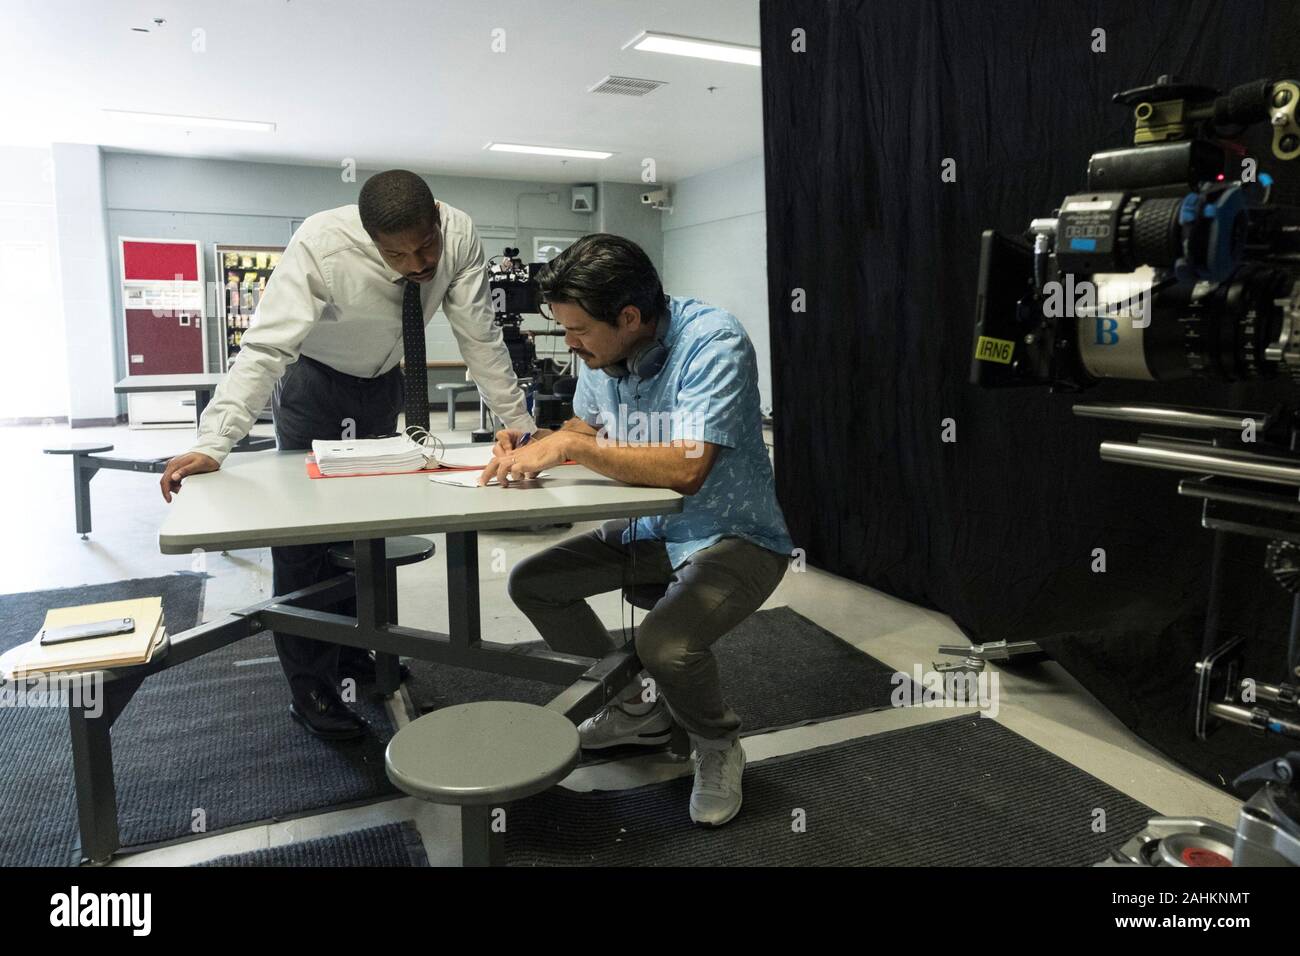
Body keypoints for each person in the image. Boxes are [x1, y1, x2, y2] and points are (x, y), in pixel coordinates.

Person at [158, 169, 534, 740]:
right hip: (316, 384)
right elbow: (264, 347)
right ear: (368, 236)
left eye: (424, 246)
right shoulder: (320, 243)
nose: (415, 265)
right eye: (396, 255)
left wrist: (521, 428)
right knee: (307, 536)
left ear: (436, 215)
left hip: (383, 382)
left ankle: (362, 651)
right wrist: (214, 441)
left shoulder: (458, 236)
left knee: (370, 529)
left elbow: (478, 337)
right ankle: (311, 685)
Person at [487, 233, 792, 826]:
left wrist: (575, 446)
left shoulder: (714, 342)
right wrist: (540, 441)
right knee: (534, 581)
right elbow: (584, 423)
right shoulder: (603, 353)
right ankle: (635, 708)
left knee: (666, 644)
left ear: (629, 317)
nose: (570, 345)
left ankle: (717, 742)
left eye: (578, 331)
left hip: (735, 533)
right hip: (648, 532)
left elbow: (686, 467)